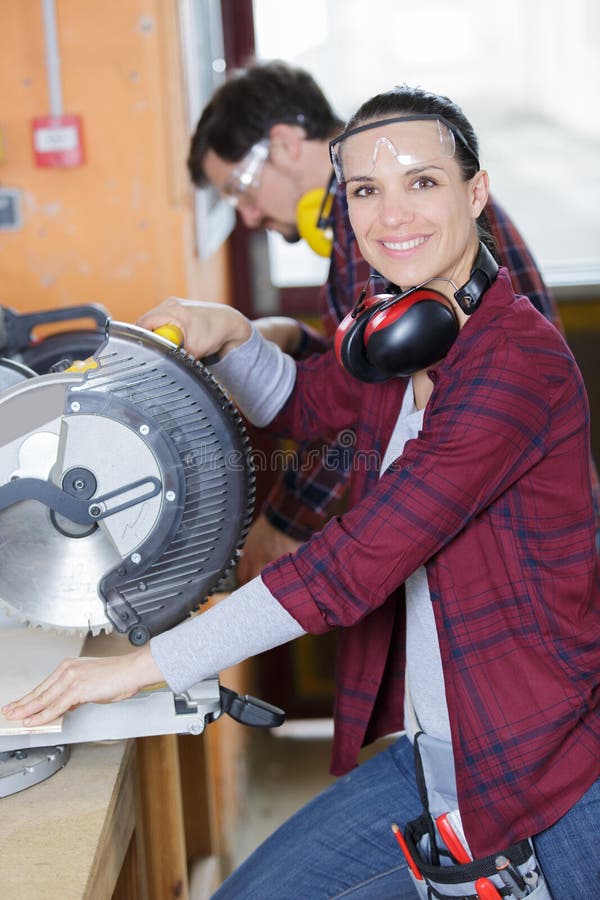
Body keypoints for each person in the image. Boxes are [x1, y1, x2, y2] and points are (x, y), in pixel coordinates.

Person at [5, 86, 599, 899]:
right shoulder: (403, 339)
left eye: (423, 182)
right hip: (439, 756)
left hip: (540, 772)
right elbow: (308, 403)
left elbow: (352, 565)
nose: (392, 215)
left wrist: (139, 669)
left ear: (476, 193)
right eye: (366, 191)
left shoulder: (514, 366)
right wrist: (232, 332)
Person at [189, 60, 594, 586]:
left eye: (242, 186)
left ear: (286, 144)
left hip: (512, 553)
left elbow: (366, 403)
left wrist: (287, 520)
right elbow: (366, 372)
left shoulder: (386, 232)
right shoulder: (389, 220)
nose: (247, 215)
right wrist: (288, 337)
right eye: (365, 190)